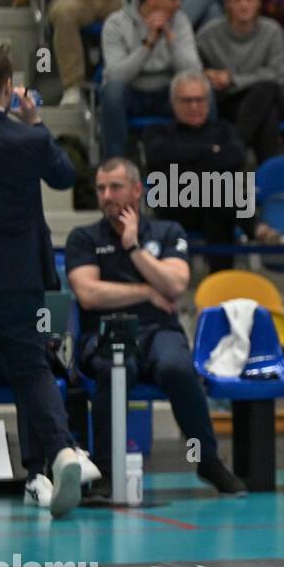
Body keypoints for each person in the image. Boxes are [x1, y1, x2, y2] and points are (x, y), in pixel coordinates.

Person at [66, 158, 248, 497]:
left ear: (137, 190)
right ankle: (105, 471)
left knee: (178, 368)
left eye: (115, 187)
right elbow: (89, 294)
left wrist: (133, 248)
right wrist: (147, 291)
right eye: (101, 188)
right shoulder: (84, 237)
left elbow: (175, 285)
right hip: (105, 332)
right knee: (114, 368)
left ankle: (206, 459)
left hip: (158, 331)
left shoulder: (167, 231)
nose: (107, 195)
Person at [0, 46, 85, 517]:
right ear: (9, 88)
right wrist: (33, 124)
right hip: (19, 279)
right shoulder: (27, 140)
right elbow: (66, 174)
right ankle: (63, 452)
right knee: (32, 372)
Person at [142, 71, 281, 270]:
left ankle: (220, 283)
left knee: (216, 202)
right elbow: (157, 156)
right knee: (218, 188)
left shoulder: (224, 130)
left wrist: (186, 162)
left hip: (217, 208)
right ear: (173, 103)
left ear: (208, 102)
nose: (194, 106)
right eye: (187, 101)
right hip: (175, 204)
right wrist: (210, 154)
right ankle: (256, 228)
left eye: (199, 100)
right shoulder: (158, 133)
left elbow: (236, 156)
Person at [99, 0, 200, 160]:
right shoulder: (116, 23)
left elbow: (194, 73)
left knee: (202, 91)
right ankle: (115, 164)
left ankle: (204, 160)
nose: (179, 4)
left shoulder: (180, 21)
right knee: (111, 90)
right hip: (132, 94)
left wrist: (171, 39)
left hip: (168, 93)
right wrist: (148, 44)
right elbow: (115, 75)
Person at [196, 0, 284, 165]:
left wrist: (234, 79)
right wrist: (208, 75)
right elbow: (194, 68)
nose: (244, 5)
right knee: (268, 115)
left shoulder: (272, 30)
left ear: (258, 3)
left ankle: (233, 151)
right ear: (228, 4)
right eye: (238, 0)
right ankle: (266, 178)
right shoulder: (209, 33)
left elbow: (279, 75)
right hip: (230, 102)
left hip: (270, 94)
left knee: (266, 88)